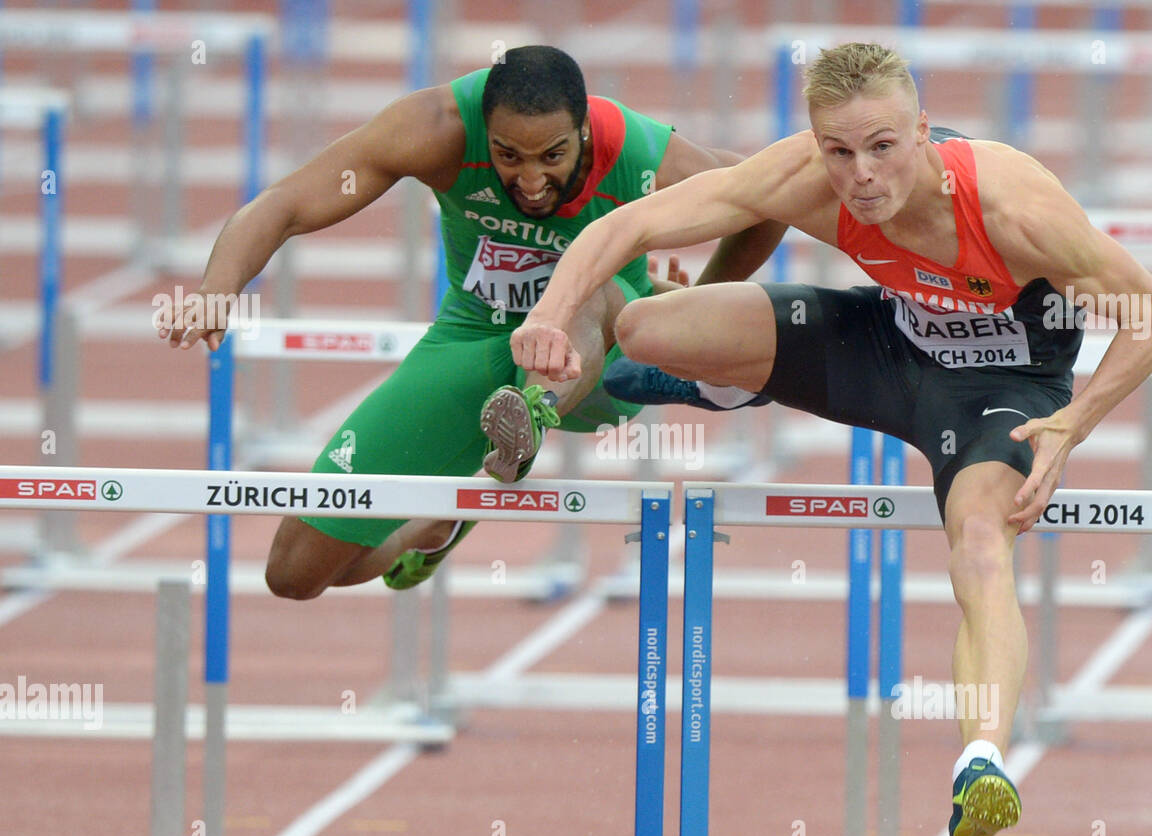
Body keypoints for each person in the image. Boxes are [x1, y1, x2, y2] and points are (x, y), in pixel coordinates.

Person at [509, 42, 1152, 836]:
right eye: (839, 151)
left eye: (882, 147)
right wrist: (548, 314)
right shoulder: (804, 174)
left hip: (1003, 388)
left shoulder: (1012, 205)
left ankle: (983, 760)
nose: (860, 175)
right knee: (642, 327)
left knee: (978, 537)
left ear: (923, 132)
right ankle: (728, 383)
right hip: (886, 349)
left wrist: (1076, 422)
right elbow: (631, 224)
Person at [157, 45, 783, 599]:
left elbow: (767, 201)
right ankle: (431, 531)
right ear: (485, 132)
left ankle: (528, 421)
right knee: (299, 573)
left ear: (585, 135)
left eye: (553, 156)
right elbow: (285, 203)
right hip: (475, 338)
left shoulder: (640, 151)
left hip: (594, 360)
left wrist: (695, 308)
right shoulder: (435, 128)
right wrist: (219, 289)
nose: (532, 180)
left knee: (587, 297)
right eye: (509, 156)